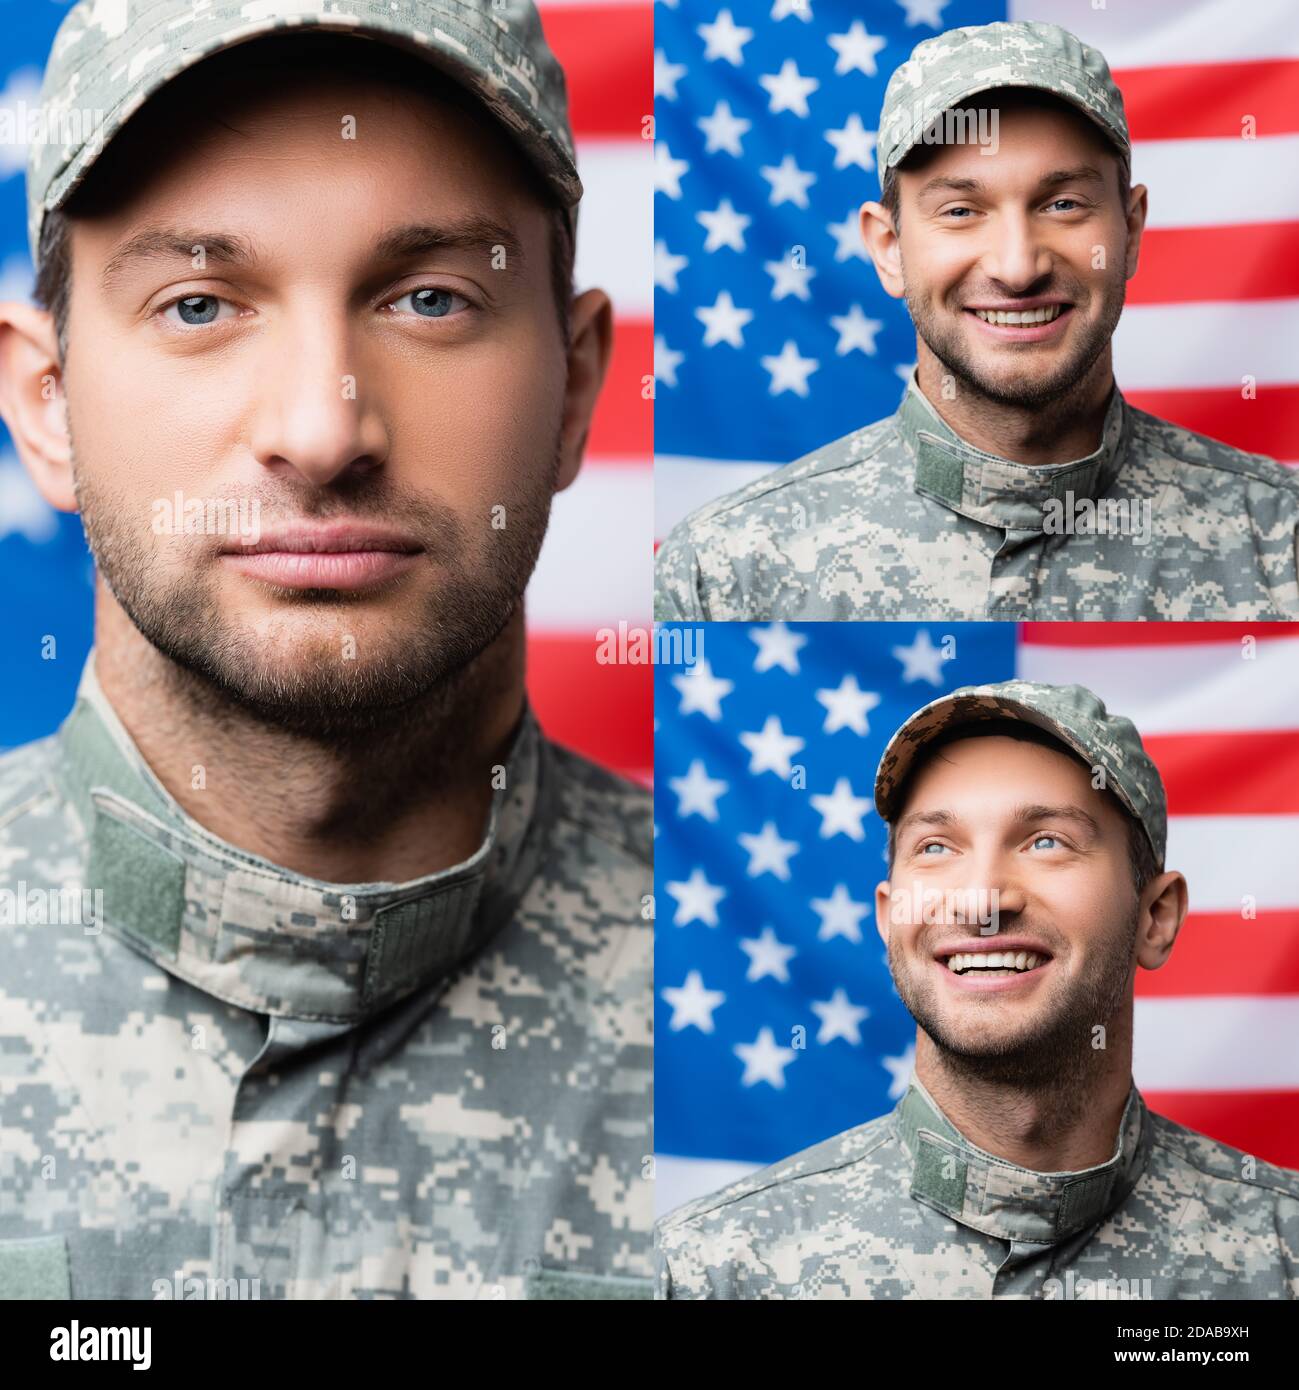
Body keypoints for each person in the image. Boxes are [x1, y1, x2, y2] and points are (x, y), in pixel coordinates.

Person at [0, 0, 651, 1300]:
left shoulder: (833, 1009)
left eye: (428, 298)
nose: (320, 427)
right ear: (48, 405)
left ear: (575, 386)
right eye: (198, 303)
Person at [656, 681, 1299, 1299]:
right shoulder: (707, 1272)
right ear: (888, 919)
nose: (982, 900)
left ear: (1154, 918)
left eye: (1047, 841)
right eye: (936, 847)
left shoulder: (1284, 1257)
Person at [654, 20, 1299, 621]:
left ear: (1129, 232)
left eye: (1064, 204)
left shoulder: (1282, 540)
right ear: (888, 248)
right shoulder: (722, 575)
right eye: (961, 211)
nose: (1018, 268)